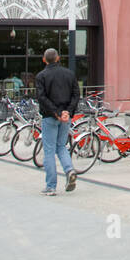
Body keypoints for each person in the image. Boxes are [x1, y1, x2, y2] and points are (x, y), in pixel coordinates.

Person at [34, 48, 79, 197]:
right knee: (61, 146)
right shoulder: (69, 74)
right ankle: (69, 170)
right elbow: (76, 94)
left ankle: (51, 186)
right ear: (58, 58)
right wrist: (67, 112)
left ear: (44, 59)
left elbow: (42, 97)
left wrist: (56, 113)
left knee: (49, 150)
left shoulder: (41, 76)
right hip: (66, 116)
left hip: (50, 116)